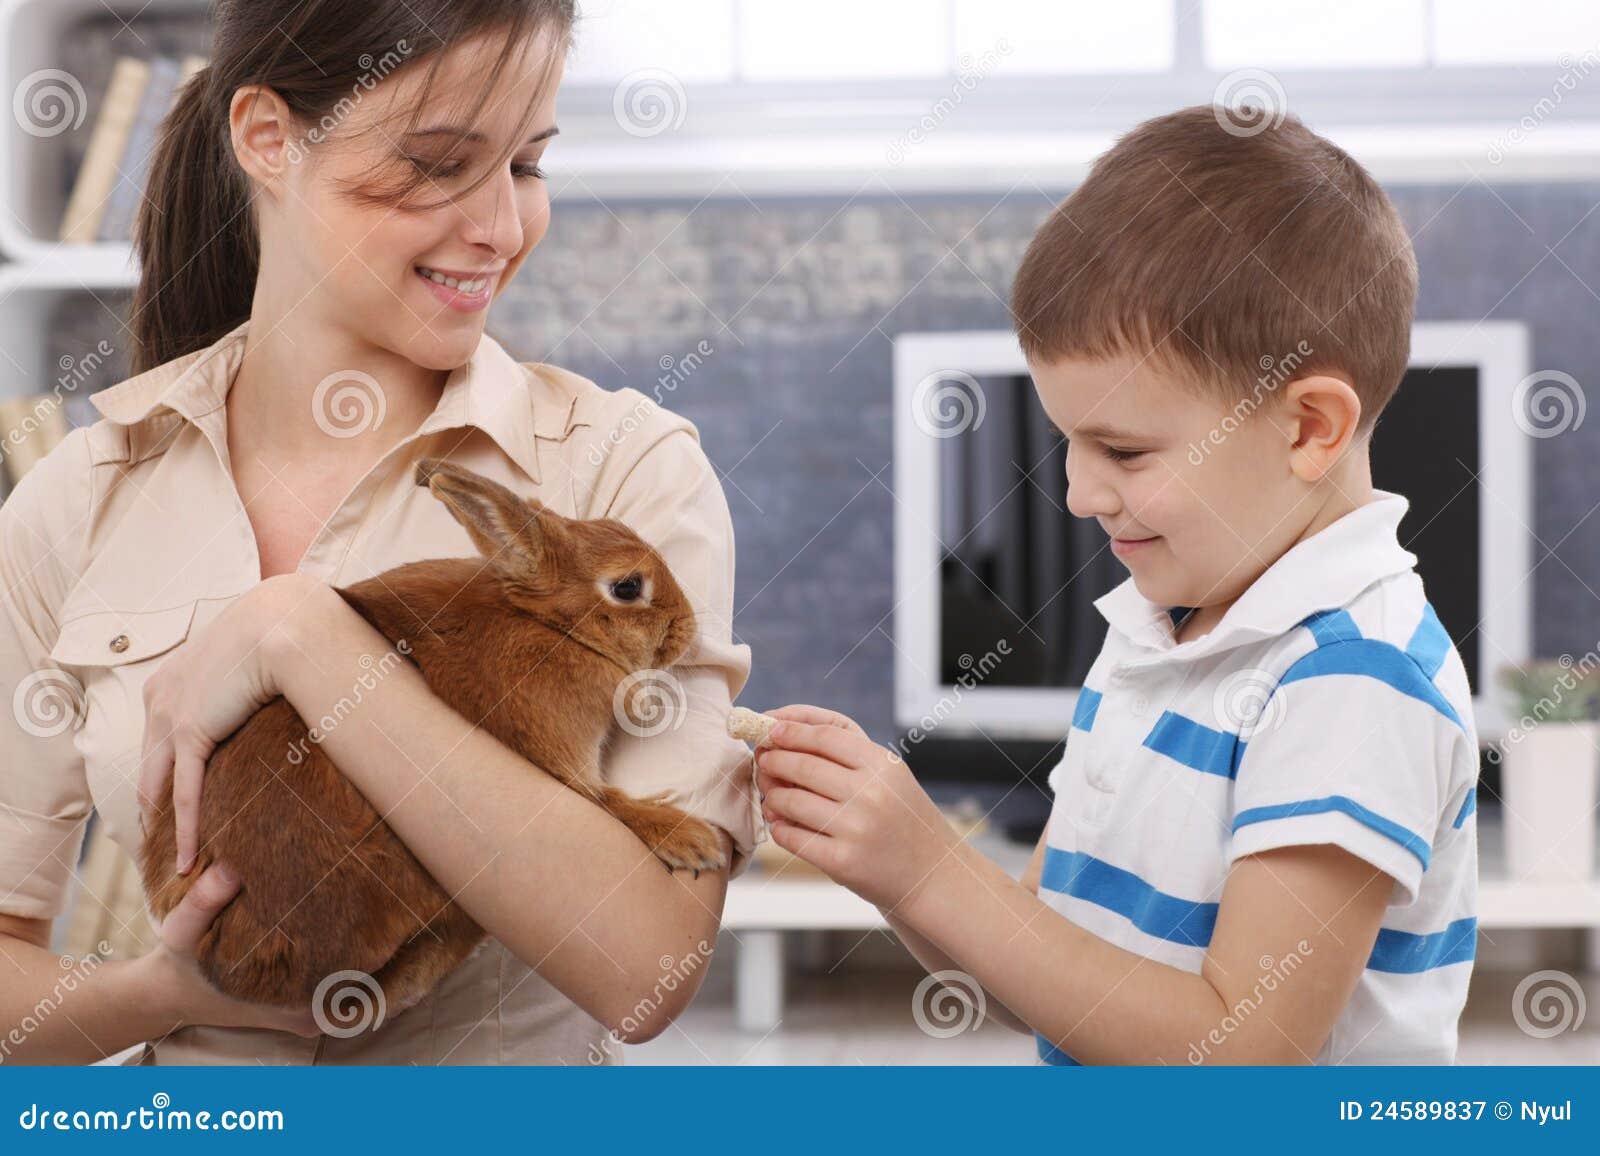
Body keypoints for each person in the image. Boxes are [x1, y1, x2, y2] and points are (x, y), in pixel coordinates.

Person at [0, 0, 758, 1065]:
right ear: (268, 138)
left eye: (529, 165)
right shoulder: (74, 503)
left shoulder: (619, 467)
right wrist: (154, 994)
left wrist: (300, 636)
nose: (500, 226)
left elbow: (646, 968)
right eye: (440, 162)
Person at [758, 105, 1479, 1064]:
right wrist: (893, 864)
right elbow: (1044, 982)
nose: (1077, 491)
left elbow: (1238, 1055)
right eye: (1067, 442)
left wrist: (932, 870)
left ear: (1310, 429)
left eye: (1124, 450)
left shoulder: (1355, 675)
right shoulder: (1157, 628)